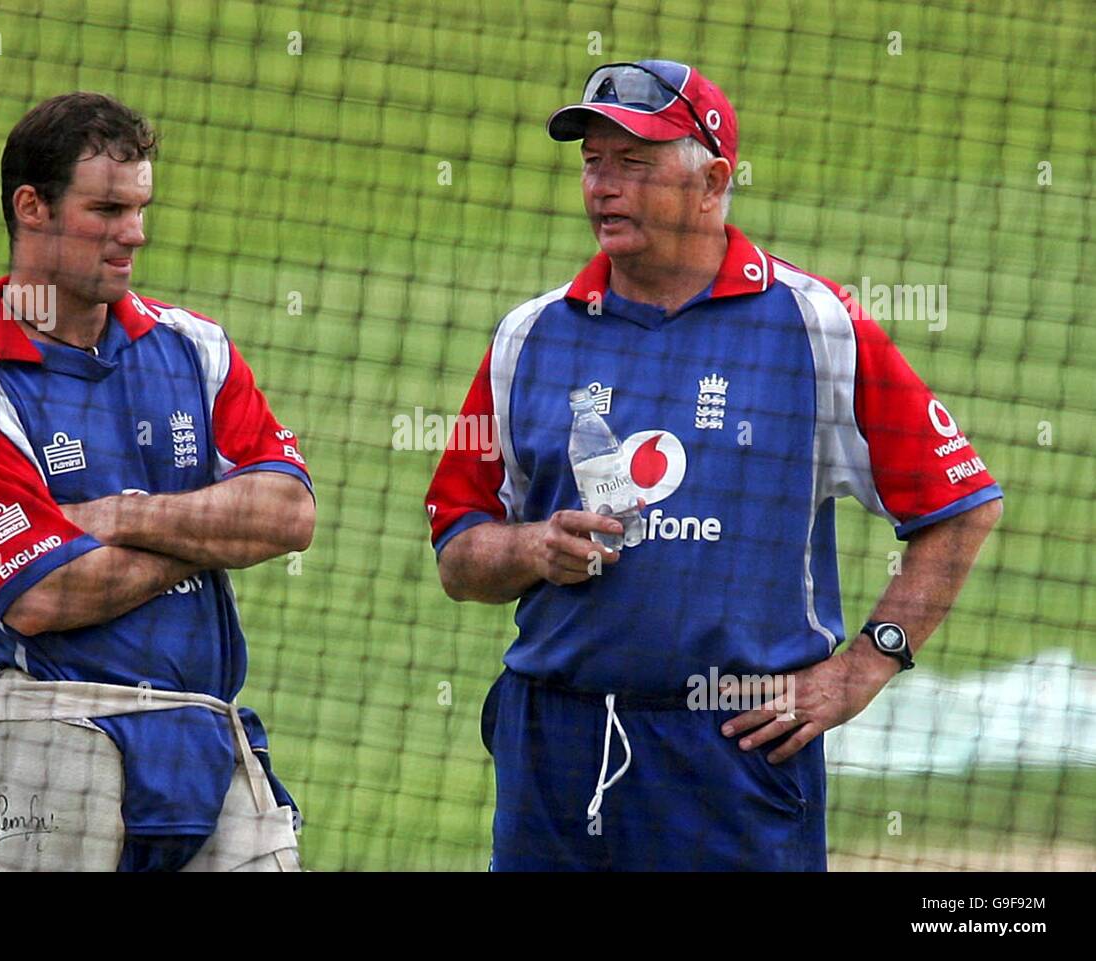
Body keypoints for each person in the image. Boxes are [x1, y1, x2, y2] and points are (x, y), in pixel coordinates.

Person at [425, 60, 1003, 871]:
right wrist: (530, 550)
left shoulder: (813, 326)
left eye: (635, 163)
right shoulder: (530, 337)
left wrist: (868, 662)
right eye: (593, 163)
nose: (604, 188)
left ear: (712, 181)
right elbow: (458, 551)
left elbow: (962, 505)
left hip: (732, 754)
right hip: (553, 747)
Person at [0, 92, 315, 871]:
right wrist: (215, 537)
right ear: (32, 207)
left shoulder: (193, 347)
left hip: (206, 733)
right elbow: (43, 595)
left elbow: (290, 513)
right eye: (106, 209)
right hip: (58, 738)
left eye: (139, 207)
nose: (135, 233)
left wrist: (125, 516)